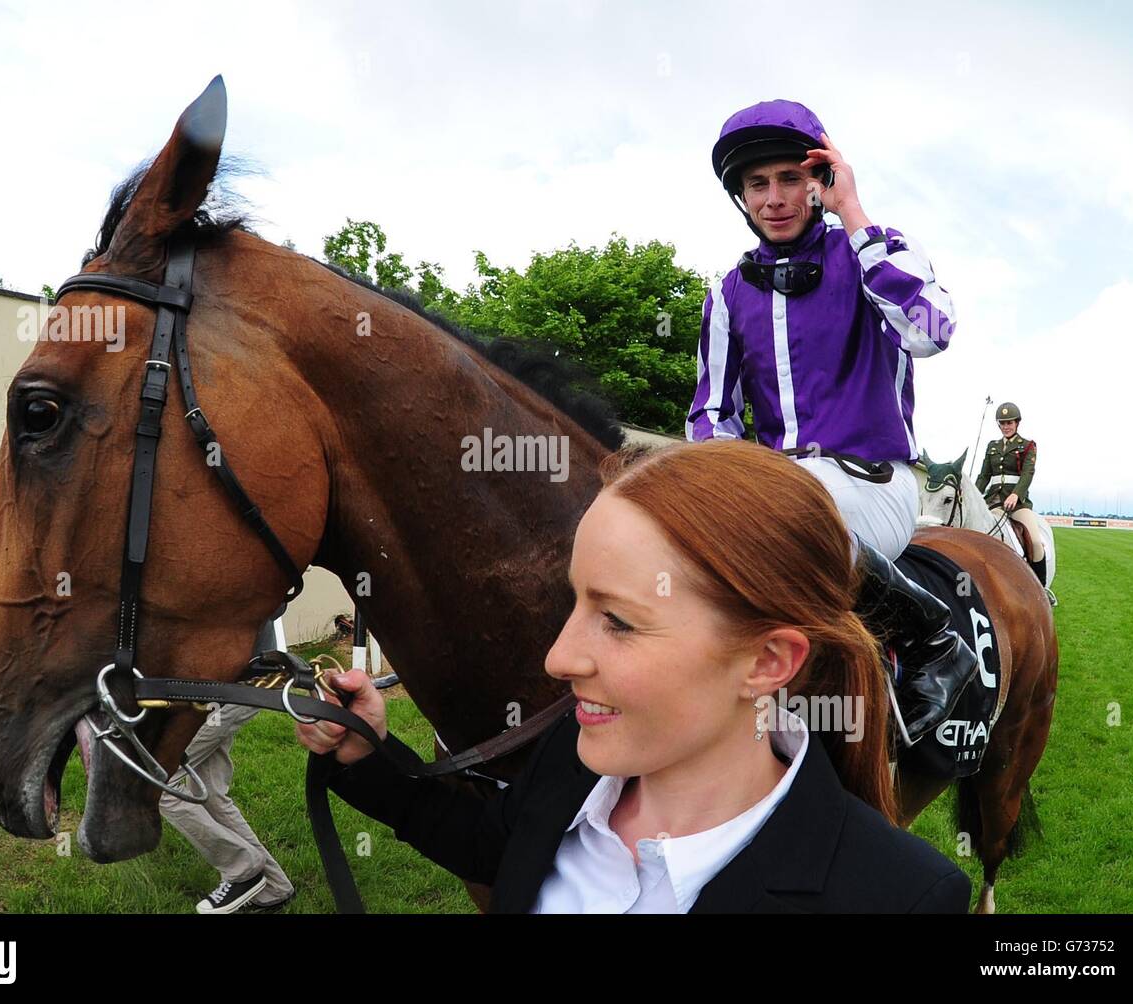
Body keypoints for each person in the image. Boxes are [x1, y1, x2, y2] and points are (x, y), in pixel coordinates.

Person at [296, 441, 971, 914]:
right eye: (576, 603)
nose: (558, 660)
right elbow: (491, 847)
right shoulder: (574, 757)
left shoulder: (898, 896)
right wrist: (369, 754)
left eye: (617, 620)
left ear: (767, 662)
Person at [686, 98, 976, 746]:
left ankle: (935, 638)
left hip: (875, 486)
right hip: (774, 491)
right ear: (741, 196)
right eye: (757, 184)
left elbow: (933, 332)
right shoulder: (727, 294)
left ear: (820, 183)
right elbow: (712, 413)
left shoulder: (879, 248)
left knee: (795, 519)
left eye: (791, 178)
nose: (774, 198)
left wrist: (855, 217)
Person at [160, 608, 297, 914]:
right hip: (223, 691)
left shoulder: (245, 570)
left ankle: (241, 868)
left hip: (236, 691)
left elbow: (272, 605)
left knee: (163, 783)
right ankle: (274, 887)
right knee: (210, 792)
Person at [975, 401, 1048, 585]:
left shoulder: (1027, 445)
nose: (1006, 426)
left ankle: (1041, 589)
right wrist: (974, 495)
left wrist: (1016, 495)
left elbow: (1027, 473)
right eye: (1002, 423)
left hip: (1018, 504)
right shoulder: (992, 446)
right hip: (993, 503)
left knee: (1037, 543)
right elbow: (984, 475)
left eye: (1009, 422)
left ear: (1017, 423)